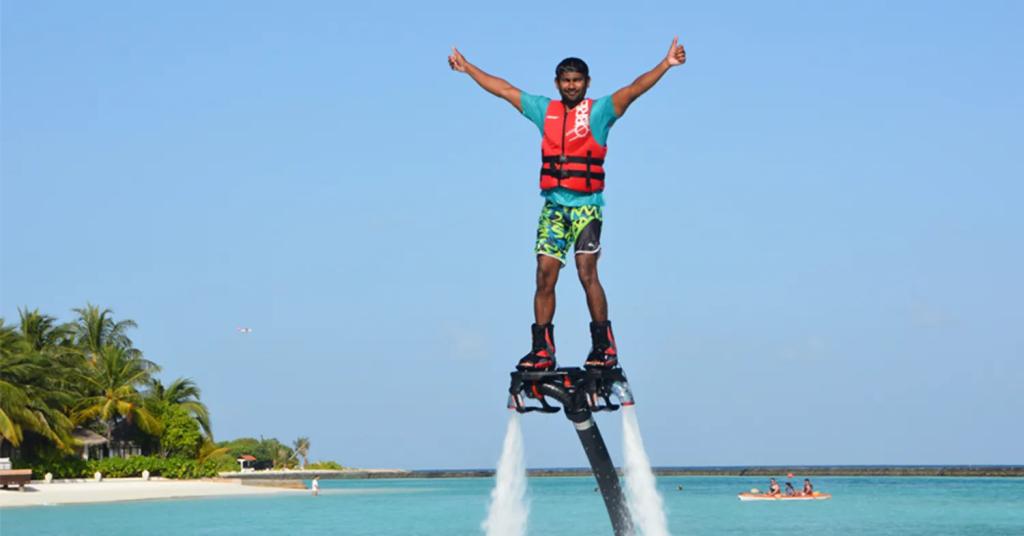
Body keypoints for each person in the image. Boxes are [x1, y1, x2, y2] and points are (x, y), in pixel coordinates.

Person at [448, 38, 687, 370]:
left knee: (586, 272)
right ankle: (542, 349)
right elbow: (504, 89)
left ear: (586, 83)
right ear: (557, 83)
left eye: (577, 81)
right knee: (544, 275)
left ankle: (604, 346)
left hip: (587, 206)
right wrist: (468, 68)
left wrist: (665, 64)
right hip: (554, 208)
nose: (571, 86)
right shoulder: (545, 111)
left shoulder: (600, 111)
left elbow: (633, 89)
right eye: (565, 81)